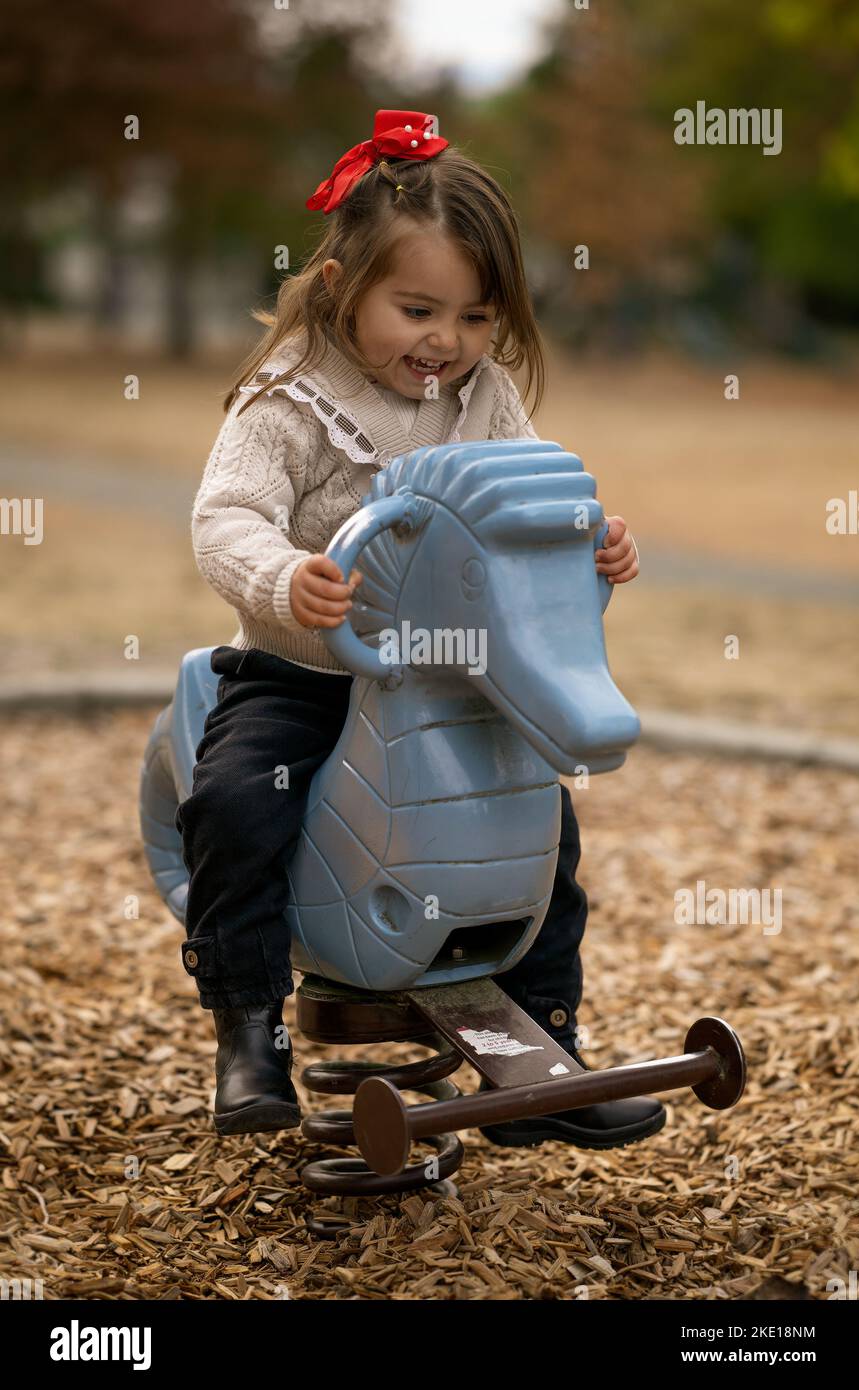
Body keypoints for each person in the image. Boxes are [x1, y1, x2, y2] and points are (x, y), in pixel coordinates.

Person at [175, 108, 663, 1151]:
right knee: (232, 799)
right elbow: (223, 518)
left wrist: (586, 548)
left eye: (477, 318)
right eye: (417, 309)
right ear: (341, 285)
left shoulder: (480, 398)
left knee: (545, 832)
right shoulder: (289, 403)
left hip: (443, 678)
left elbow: (524, 507)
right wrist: (281, 578)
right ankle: (246, 1025)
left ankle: (547, 1047)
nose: (445, 342)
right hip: (306, 673)